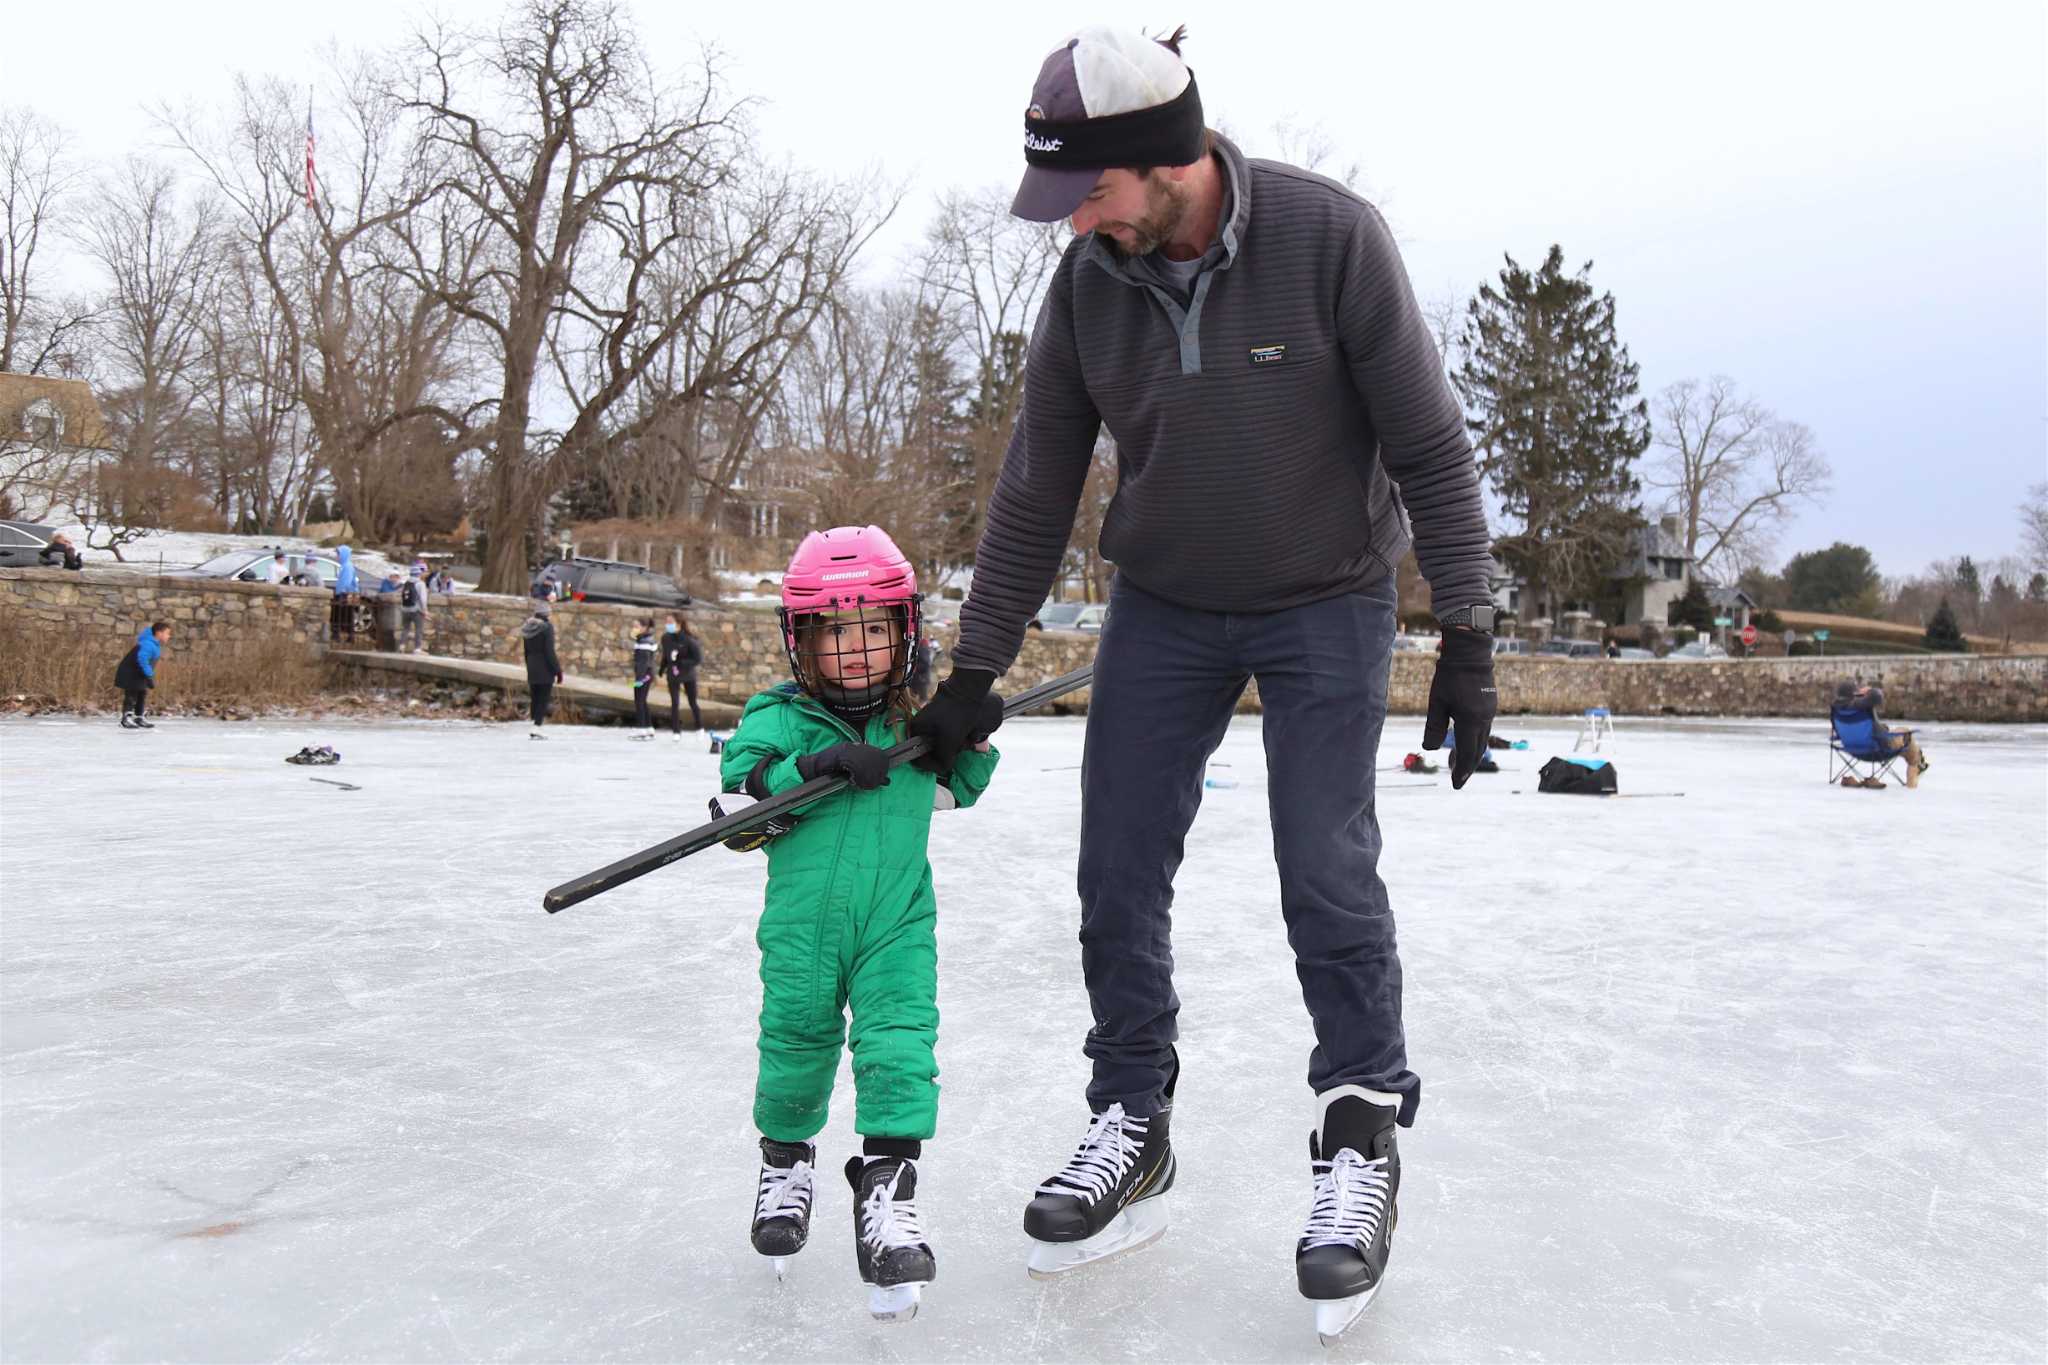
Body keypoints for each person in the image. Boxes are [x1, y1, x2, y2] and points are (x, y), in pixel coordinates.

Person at [905, 25, 1498, 1329]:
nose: (1075, 225)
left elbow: (1434, 450)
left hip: (1325, 594)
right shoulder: (1086, 287)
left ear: (1165, 161)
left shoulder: (1330, 241)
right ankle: (1133, 1117)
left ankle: (1358, 1129)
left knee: (1322, 862)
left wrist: (1466, 627)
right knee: (1115, 864)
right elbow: (1033, 489)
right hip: (1166, 605)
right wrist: (973, 670)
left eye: (1091, 194)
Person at [721, 525, 1001, 1317]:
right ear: (800, 641)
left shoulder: (918, 723)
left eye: (874, 630)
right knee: (795, 1043)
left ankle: (889, 1192)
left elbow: (958, 789)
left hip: (896, 924)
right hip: (803, 931)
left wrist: (973, 729)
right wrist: (811, 767)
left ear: (904, 633)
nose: (856, 650)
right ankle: (786, 1164)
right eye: (835, 632)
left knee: (899, 1045)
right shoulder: (776, 717)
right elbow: (736, 813)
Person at [1833, 679, 1929, 789]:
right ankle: (1914, 773)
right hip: (1877, 747)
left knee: (1892, 733)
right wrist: (1869, 691)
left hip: (1852, 749)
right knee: (1905, 733)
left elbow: (1838, 732)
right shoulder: (1861, 705)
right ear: (1855, 693)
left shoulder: (1836, 709)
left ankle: (1917, 763)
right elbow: (1877, 696)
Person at [112, 621, 170, 729]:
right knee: (131, 694)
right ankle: (126, 718)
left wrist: (147, 675)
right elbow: (142, 660)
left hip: (139, 673)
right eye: (167, 633)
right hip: (131, 672)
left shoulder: (153, 644)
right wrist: (149, 675)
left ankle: (139, 717)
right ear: (159, 633)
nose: (168, 636)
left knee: (142, 694)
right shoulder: (148, 644)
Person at [658, 610, 705, 738]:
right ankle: (676, 731)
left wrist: (681, 662)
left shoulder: (689, 640)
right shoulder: (666, 638)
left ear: (679, 623)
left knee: (692, 702)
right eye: (666, 622)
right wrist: (662, 668)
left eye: (670, 622)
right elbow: (666, 655)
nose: (667, 625)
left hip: (688, 674)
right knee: (674, 703)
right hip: (673, 675)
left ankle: (699, 727)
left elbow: (697, 659)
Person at [521, 599, 564, 739]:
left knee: (535, 697)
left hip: (532, 665)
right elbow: (549, 651)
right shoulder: (547, 627)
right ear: (546, 614)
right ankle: (537, 727)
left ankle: (534, 724)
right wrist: (558, 671)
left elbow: (526, 651)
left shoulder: (527, 627)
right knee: (543, 698)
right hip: (545, 666)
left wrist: (529, 666)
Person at [629, 617, 657, 739]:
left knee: (639, 700)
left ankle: (641, 728)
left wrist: (639, 680)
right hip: (646, 675)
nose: (634, 629)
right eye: (633, 626)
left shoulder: (644, 642)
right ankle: (649, 727)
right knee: (642, 700)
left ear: (644, 628)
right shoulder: (642, 640)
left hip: (644, 675)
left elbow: (643, 663)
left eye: (636, 626)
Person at [330, 545, 361, 642]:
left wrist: (340, 592)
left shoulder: (347, 566)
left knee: (339, 615)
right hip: (349, 593)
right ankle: (350, 636)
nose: (337, 556)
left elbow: (345, 582)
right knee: (347, 615)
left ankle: (337, 635)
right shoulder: (346, 565)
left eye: (338, 554)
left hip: (346, 593)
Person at [397, 568, 429, 653]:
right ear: (419, 574)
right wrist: (425, 610)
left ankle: (402, 646)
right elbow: (423, 599)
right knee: (419, 629)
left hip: (405, 609)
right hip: (416, 610)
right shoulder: (420, 584)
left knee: (405, 628)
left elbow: (401, 595)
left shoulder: (406, 583)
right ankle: (417, 648)